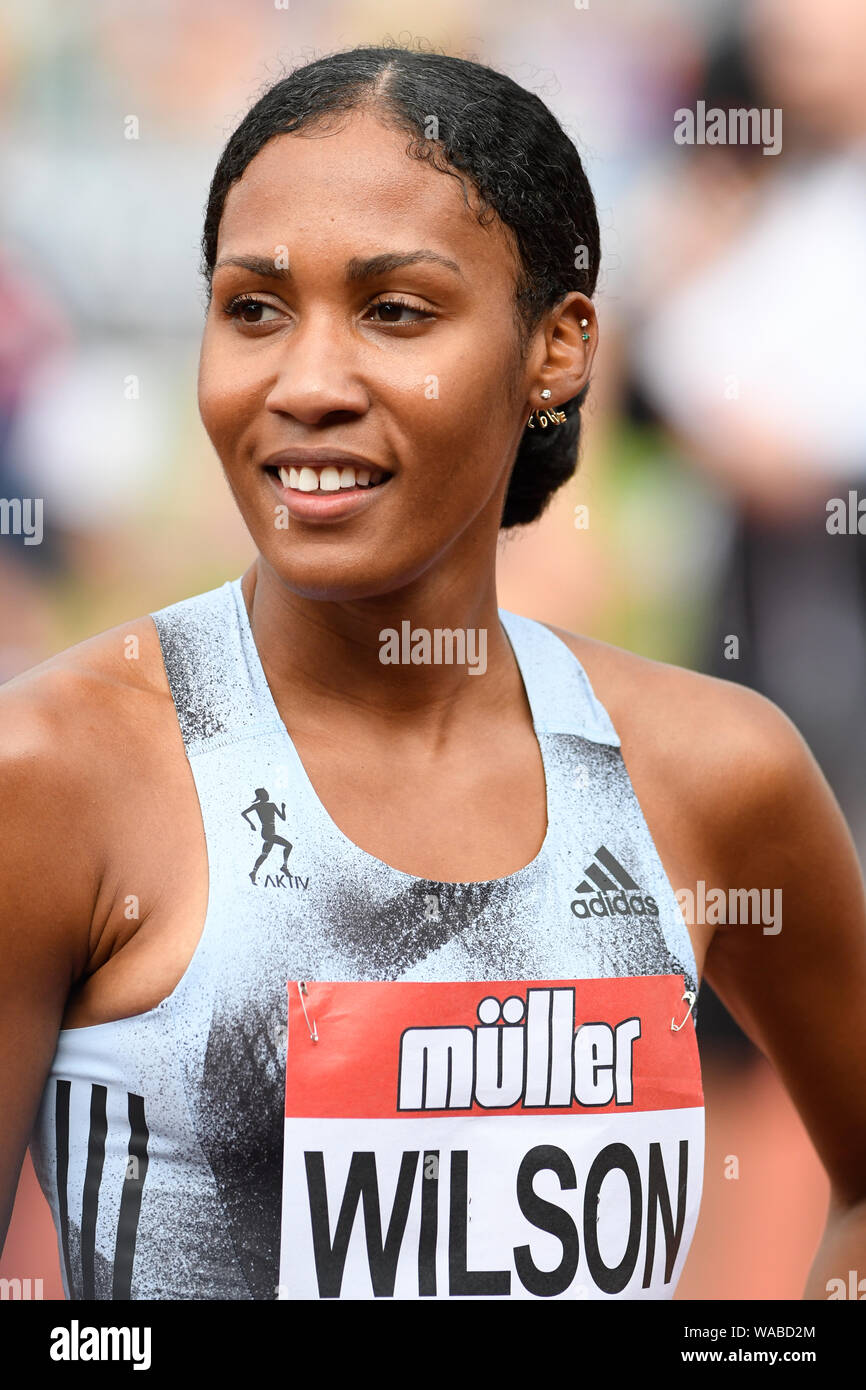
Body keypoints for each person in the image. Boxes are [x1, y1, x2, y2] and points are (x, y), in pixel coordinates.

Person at [1, 44, 864, 1302]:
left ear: (556, 350)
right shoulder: (56, 773)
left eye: (395, 310)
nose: (304, 382)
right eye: (252, 309)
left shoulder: (712, 773)